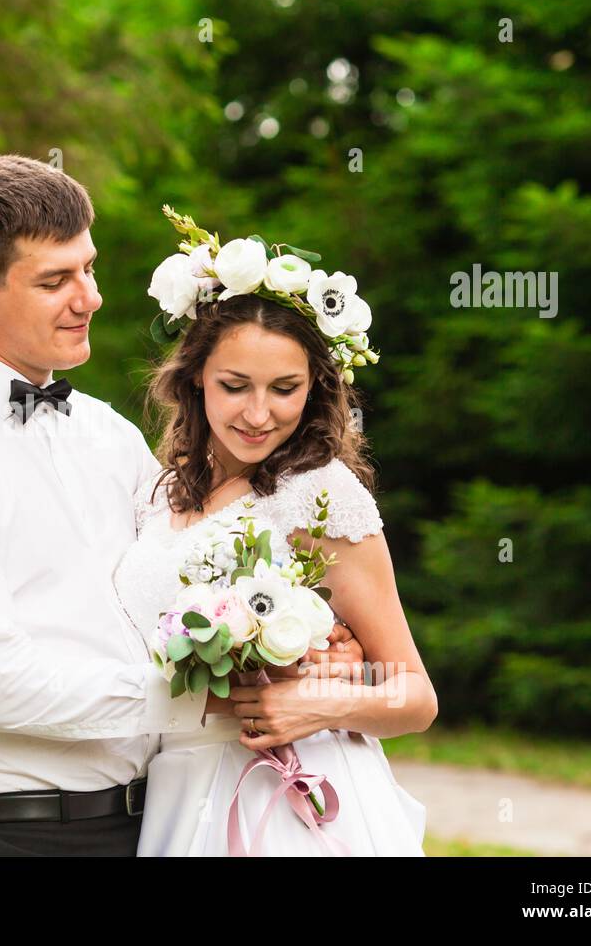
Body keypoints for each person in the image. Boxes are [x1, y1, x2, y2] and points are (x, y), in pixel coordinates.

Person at [0, 154, 366, 856]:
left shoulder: (109, 433)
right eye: (55, 280)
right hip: (16, 836)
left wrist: (310, 648)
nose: (89, 297)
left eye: (88, 269)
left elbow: (182, 589)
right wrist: (215, 699)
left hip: (158, 821)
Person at [120, 219, 437, 855]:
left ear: (315, 389)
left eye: (284, 389)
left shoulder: (320, 494)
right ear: (194, 380)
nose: (258, 414)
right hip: (173, 790)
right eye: (234, 386)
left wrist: (319, 703)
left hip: (281, 799)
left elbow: (414, 694)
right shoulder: (157, 494)